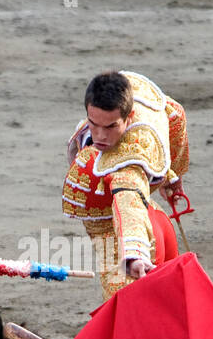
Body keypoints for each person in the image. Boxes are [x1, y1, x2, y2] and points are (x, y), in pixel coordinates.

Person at [61, 71, 189, 301]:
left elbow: (128, 203)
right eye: (93, 123)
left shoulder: (127, 162)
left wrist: (133, 255)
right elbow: (175, 113)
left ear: (129, 118)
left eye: (111, 127)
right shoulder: (136, 92)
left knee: (126, 317)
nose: (100, 136)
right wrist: (172, 174)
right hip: (157, 222)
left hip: (127, 242)